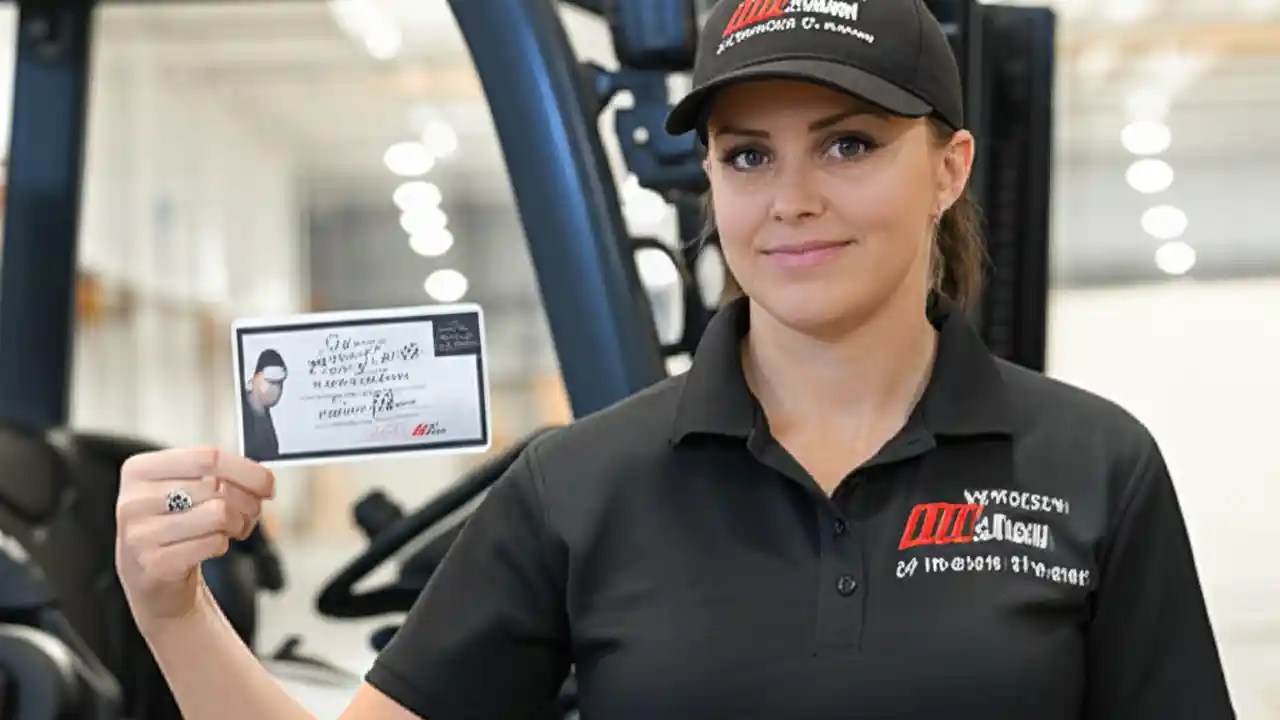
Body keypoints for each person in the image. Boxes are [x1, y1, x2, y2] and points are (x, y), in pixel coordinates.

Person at [113, 1, 1236, 718]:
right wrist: (173, 613)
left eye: (846, 144)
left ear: (947, 169)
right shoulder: (579, 483)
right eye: (747, 155)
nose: (790, 201)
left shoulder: (1092, 465)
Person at [242, 349, 287, 461]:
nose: (276, 389)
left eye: (280, 383)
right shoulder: (242, 412)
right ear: (256, 377)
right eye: (271, 382)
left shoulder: (263, 413)